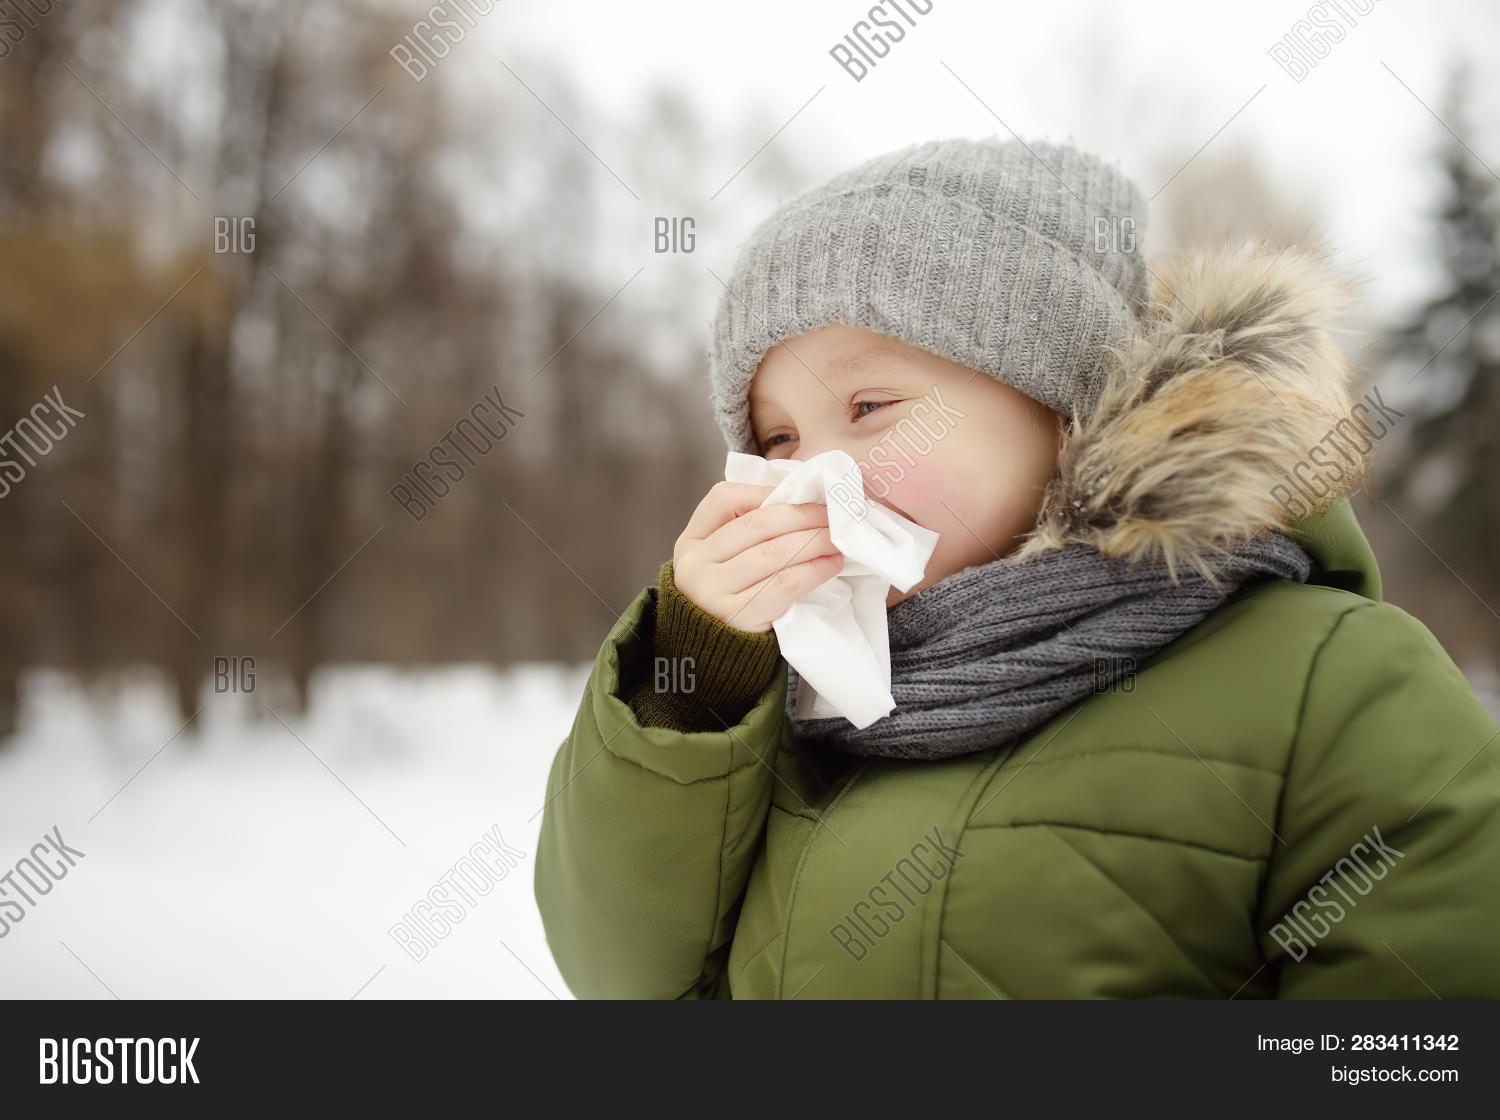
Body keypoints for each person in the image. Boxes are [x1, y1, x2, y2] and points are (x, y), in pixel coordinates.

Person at [533, 136, 1500, 999]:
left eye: (869, 408)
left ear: (1061, 401)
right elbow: (628, 978)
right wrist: (697, 677)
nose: (817, 477)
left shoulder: (1336, 682)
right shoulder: (791, 704)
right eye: (777, 438)